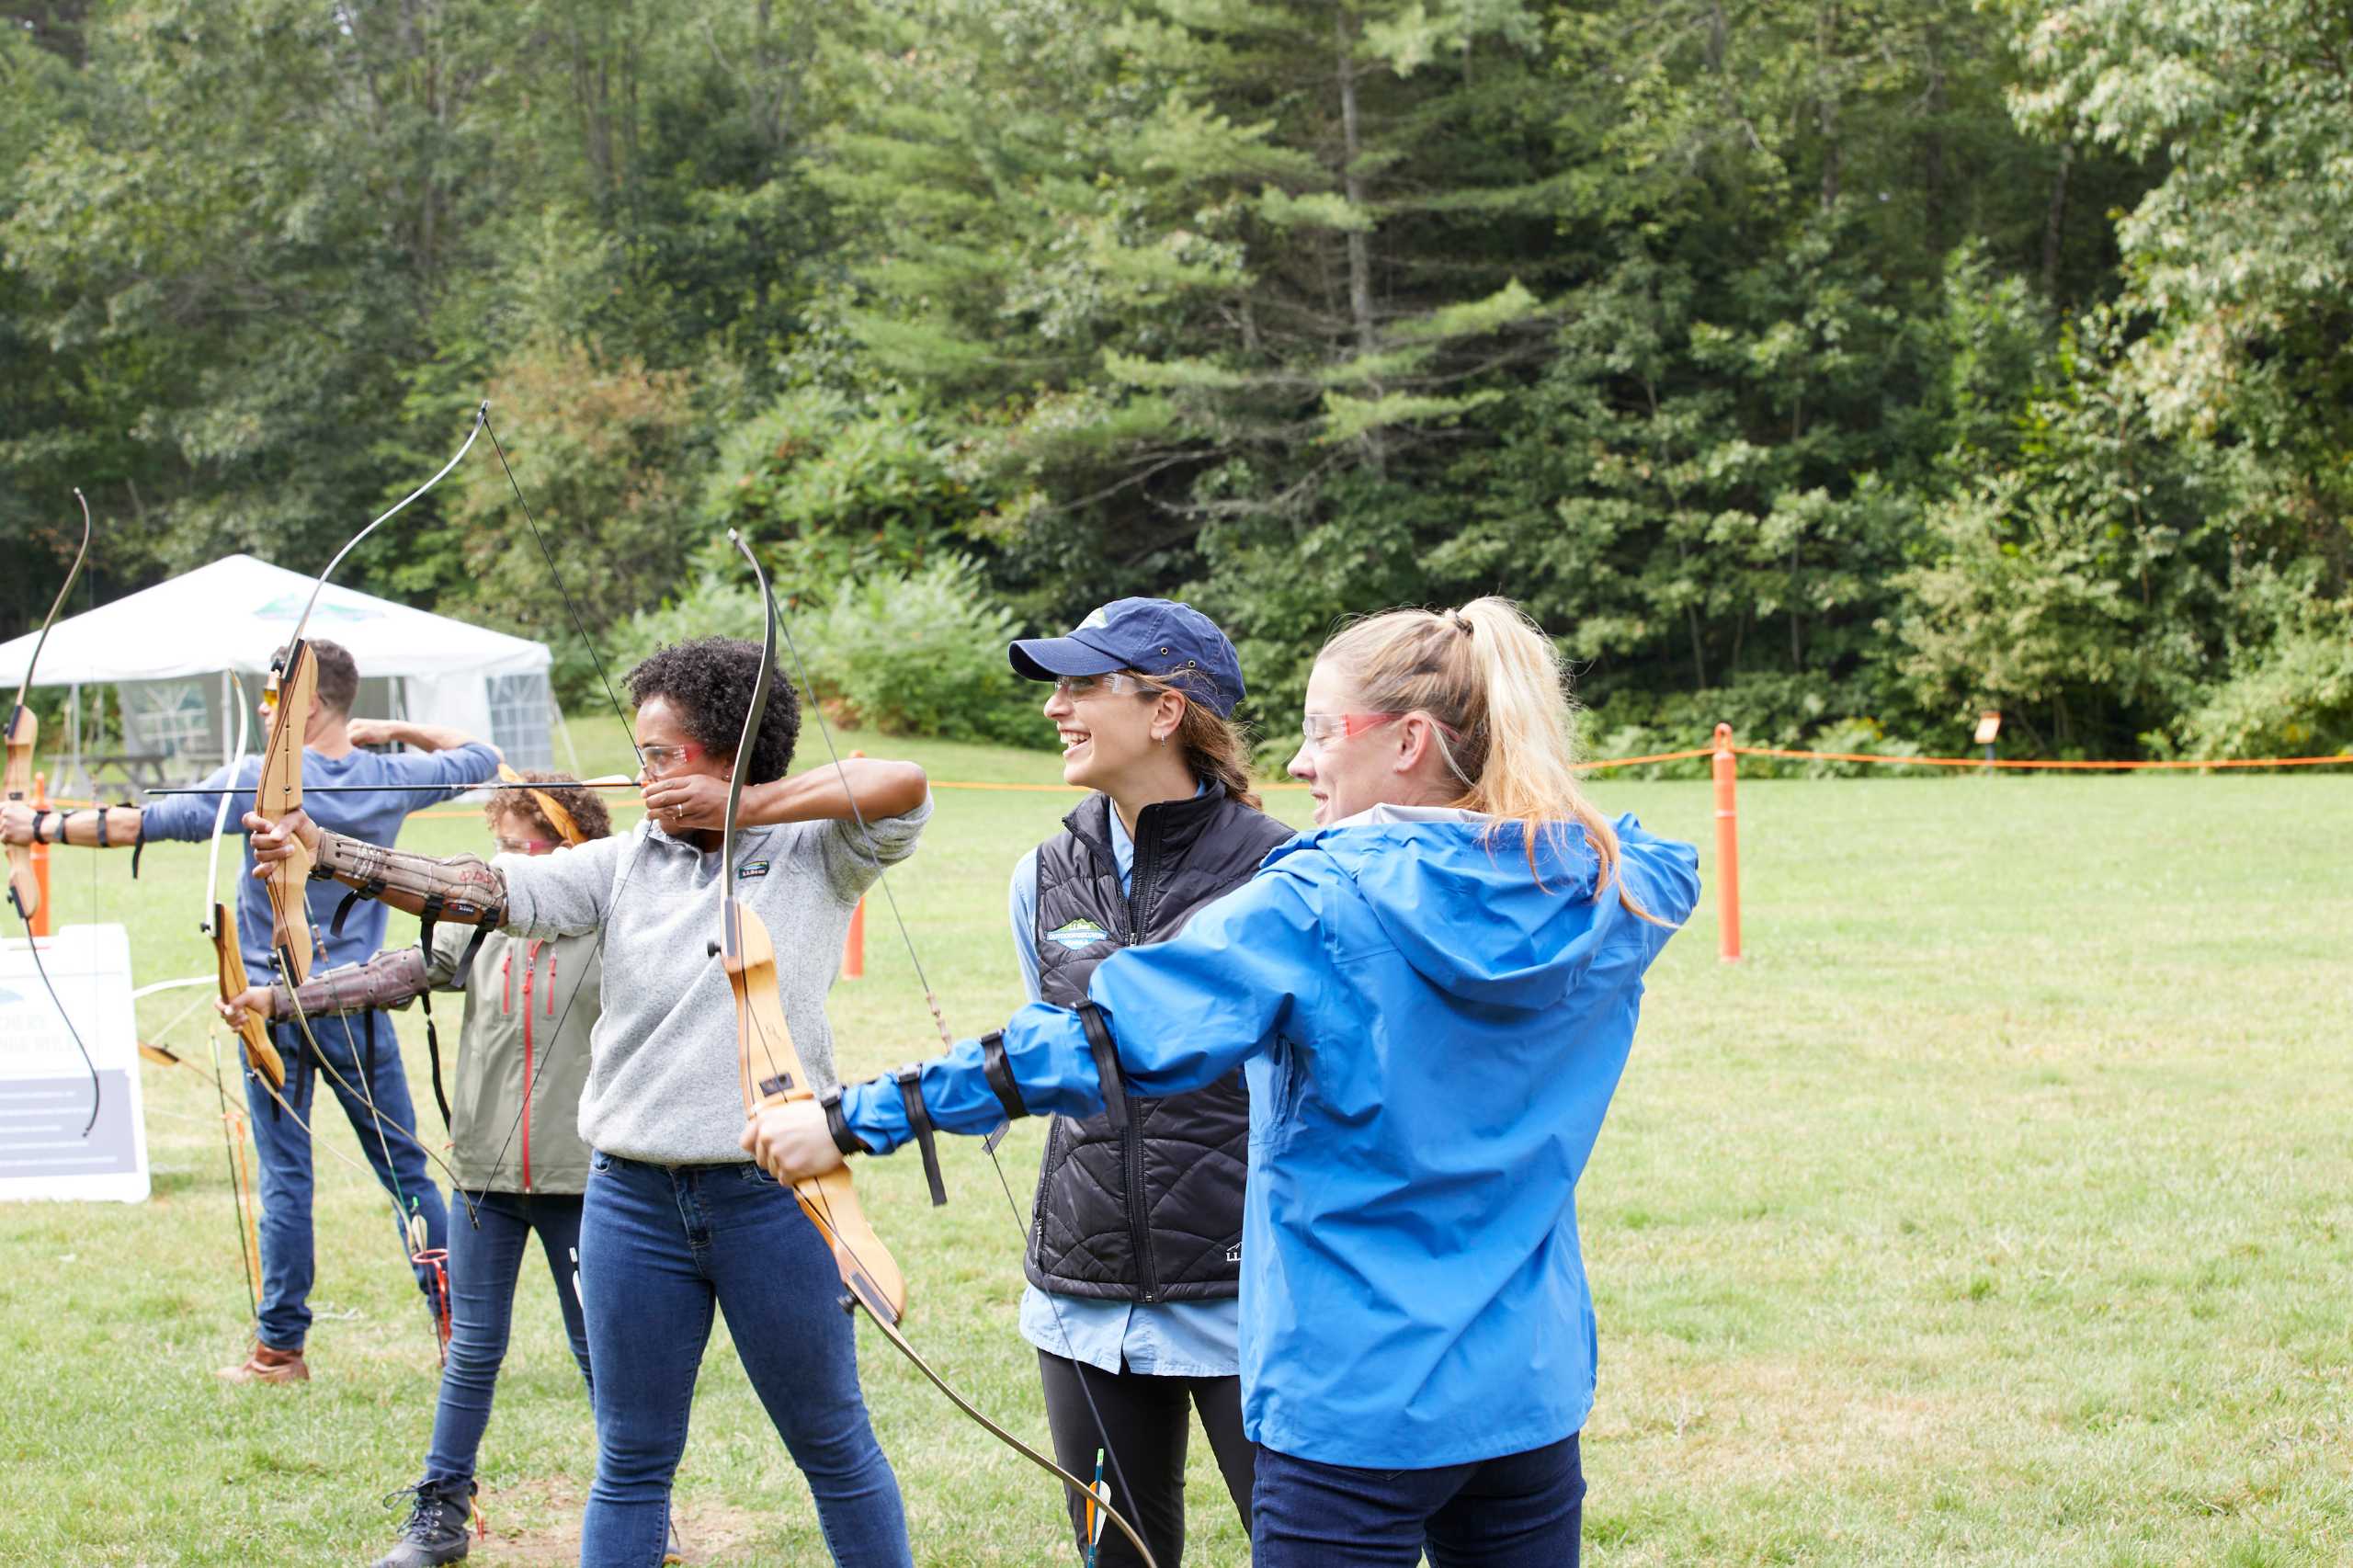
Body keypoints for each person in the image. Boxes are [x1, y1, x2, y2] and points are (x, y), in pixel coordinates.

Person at [745, 597, 1701, 1568]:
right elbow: (1665, 861)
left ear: (1411, 739)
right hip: (1525, 1393)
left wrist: (850, 1119)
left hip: (1351, 1406)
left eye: (1323, 731)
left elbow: (1099, 1038)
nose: (1298, 762)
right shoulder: (1608, 882)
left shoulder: (1319, 896)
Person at [243, 636, 931, 1568]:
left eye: (661, 755)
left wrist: (746, 808)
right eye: (640, 755)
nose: (643, 775)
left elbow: (900, 778)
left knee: (832, 1444)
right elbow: (480, 888)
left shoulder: (817, 849)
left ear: (729, 752)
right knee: (633, 1457)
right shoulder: (621, 863)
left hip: (771, 1196)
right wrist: (326, 850)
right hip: (630, 1199)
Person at [0, 638, 497, 1384]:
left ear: (307, 703)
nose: (266, 716)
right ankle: (457, 1330)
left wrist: (35, 827)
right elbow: (480, 756)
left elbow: (146, 823)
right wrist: (390, 732)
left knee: (287, 1178)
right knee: (405, 1173)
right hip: (356, 1000)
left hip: (272, 1004)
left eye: (275, 701)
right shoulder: (387, 778)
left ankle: (279, 1350)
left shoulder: (256, 780)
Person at [223, 773, 611, 1568]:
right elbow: (392, 974)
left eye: (517, 845)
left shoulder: (610, 919)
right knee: (472, 1350)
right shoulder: (480, 925)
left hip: (585, 1181)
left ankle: (641, 1503)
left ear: (569, 851)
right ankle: (440, 1517)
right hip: (481, 1177)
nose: (502, 863)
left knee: (599, 1350)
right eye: (498, 846)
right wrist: (279, 999)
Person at [1000, 599, 1293, 1566]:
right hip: (1086, 1294)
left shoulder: (1283, 869)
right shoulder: (1041, 873)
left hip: (1250, 1289)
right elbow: (1051, 1053)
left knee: (1308, 1550)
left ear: (1165, 710)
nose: (1057, 708)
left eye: (1083, 685)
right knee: (1116, 1557)